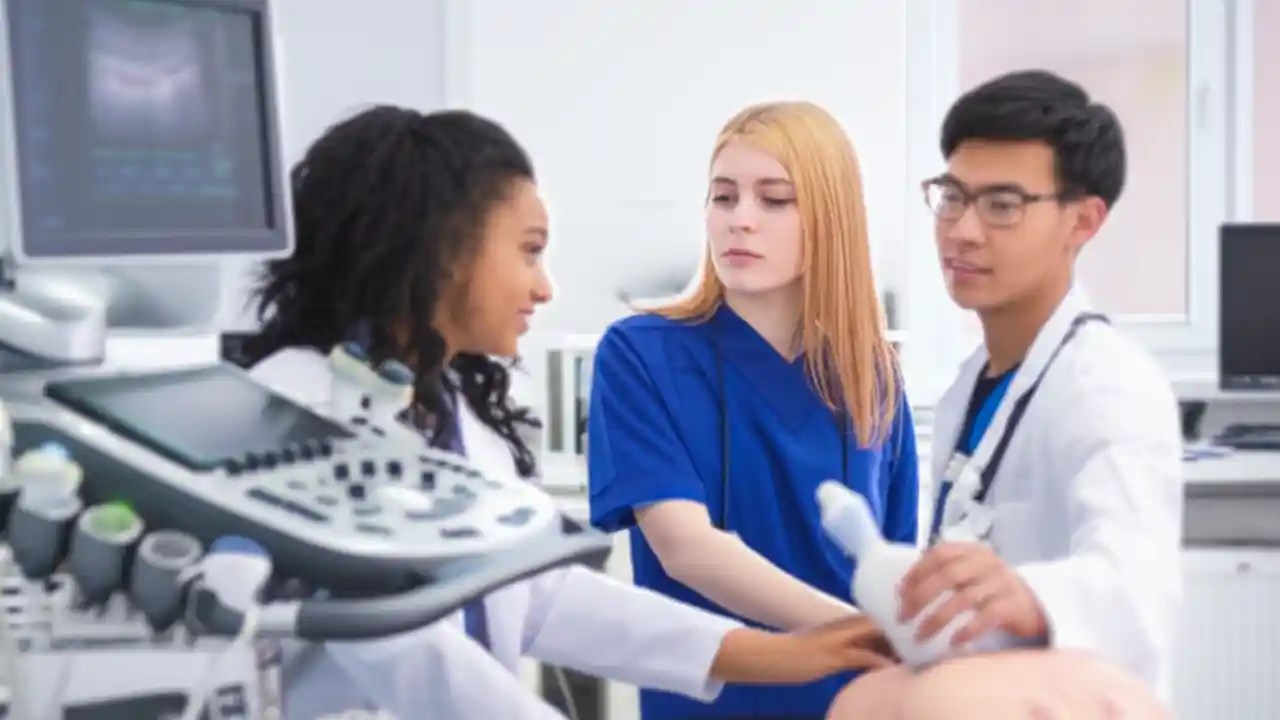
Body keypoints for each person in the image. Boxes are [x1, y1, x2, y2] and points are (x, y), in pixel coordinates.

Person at [241, 105, 896, 720]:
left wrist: (791, 653)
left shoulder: (454, 417)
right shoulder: (295, 412)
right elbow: (397, 645)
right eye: (528, 250)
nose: (545, 286)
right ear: (442, 253)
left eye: (773, 199)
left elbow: (540, 599)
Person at [826, 70, 1181, 718]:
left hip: (1073, 692)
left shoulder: (1107, 386)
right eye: (953, 197)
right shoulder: (974, 384)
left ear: (1084, 220)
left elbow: (1138, 581)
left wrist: (1028, 594)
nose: (962, 230)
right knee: (864, 696)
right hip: (991, 682)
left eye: (1003, 206)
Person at [587, 100, 920, 719]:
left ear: (830, 219)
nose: (740, 220)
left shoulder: (873, 378)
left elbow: (891, 561)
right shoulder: (640, 356)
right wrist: (863, 634)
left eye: (774, 199)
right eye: (723, 197)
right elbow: (686, 550)